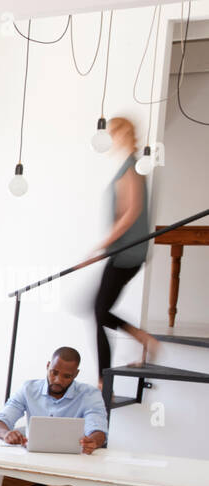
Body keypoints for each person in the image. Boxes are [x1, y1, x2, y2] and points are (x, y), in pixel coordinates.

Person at [0, 346, 107, 486]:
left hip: (70, 466)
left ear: (76, 374)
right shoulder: (29, 389)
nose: (58, 380)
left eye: (66, 376)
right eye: (54, 372)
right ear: (47, 365)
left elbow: (98, 430)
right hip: (30, 462)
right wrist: (6, 434)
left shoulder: (89, 394)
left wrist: (93, 441)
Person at [91, 116, 160, 383]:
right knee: (98, 311)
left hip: (126, 253)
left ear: (121, 134)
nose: (109, 139)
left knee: (98, 312)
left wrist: (104, 243)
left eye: (112, 133)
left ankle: (103, 379)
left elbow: (131, 212)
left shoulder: (131, 168)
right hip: (122, 252)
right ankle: (103, 377)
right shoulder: (128, 166)